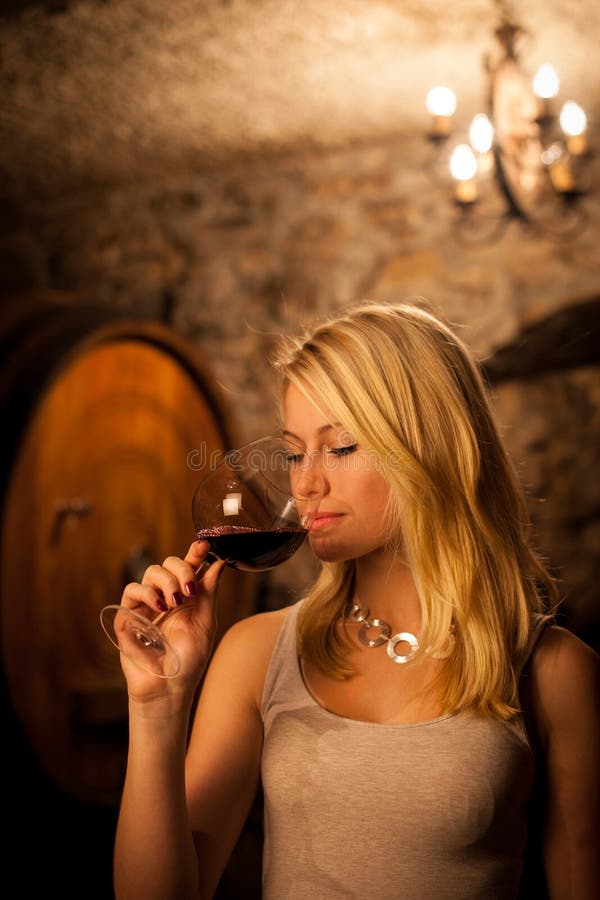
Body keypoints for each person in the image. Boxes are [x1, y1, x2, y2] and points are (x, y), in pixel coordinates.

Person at [112, 300, 599, 900]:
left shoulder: (554, 674)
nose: (305, 483)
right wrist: (156, 708)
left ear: (430, 448)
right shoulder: (256, 653)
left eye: (340, 447)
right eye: (294, 452)